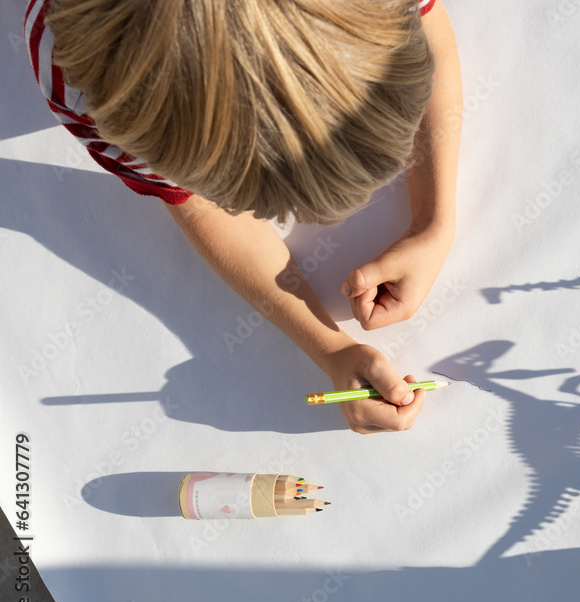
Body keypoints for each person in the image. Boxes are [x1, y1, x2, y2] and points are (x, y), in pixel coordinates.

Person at [25, 0, 462, 433]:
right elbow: (197, 204)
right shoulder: (79, 85)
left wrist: (434, 224)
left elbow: (425, 26)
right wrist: (329, 346)